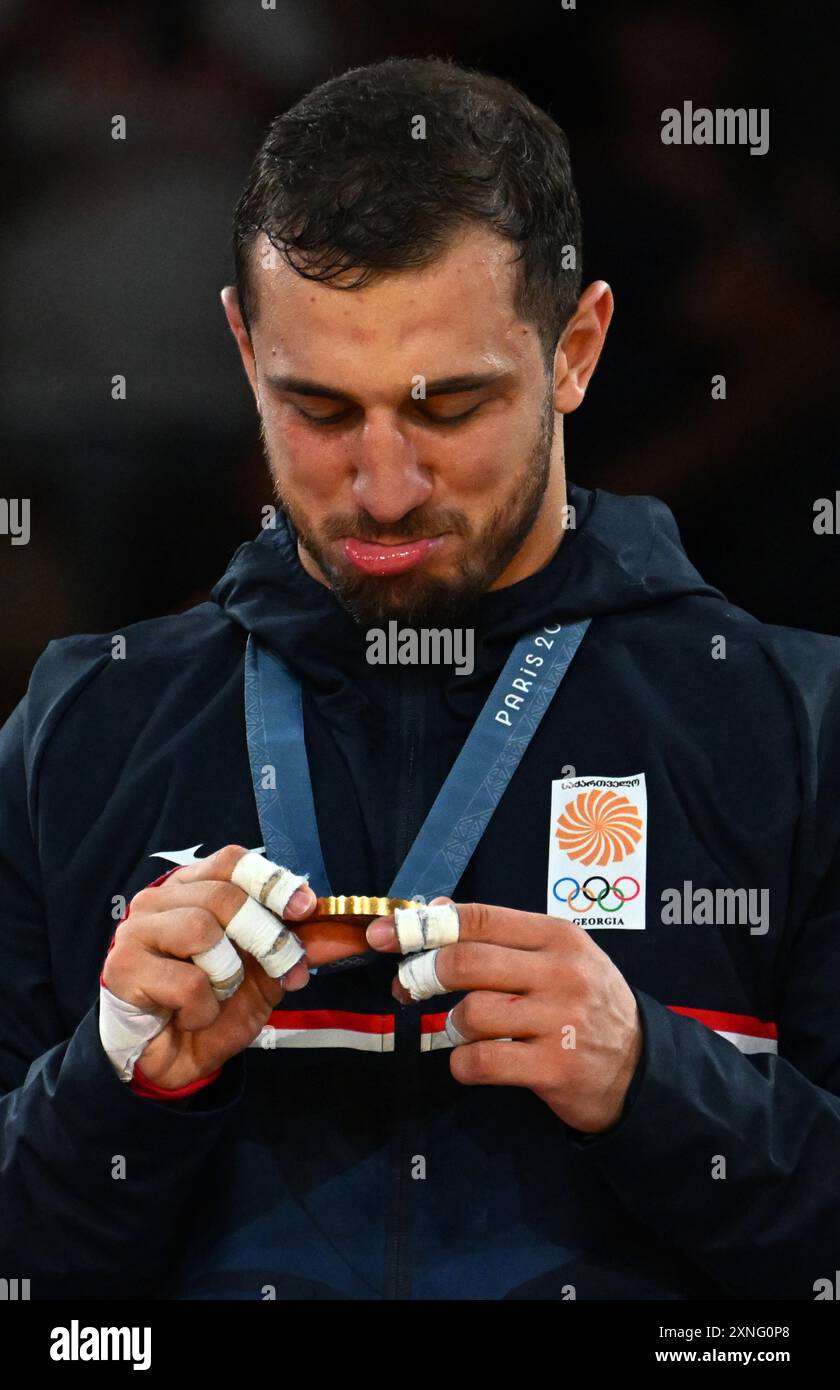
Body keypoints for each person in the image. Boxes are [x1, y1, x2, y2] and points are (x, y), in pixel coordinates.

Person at [1, 55, 839, 1302]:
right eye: (320, 409)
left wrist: (654, 1082)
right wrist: (118, 1085)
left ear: (577, 348)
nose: (384, 487)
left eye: (448, 407)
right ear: (242, 348)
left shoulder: (791, 725)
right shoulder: (81, 728)